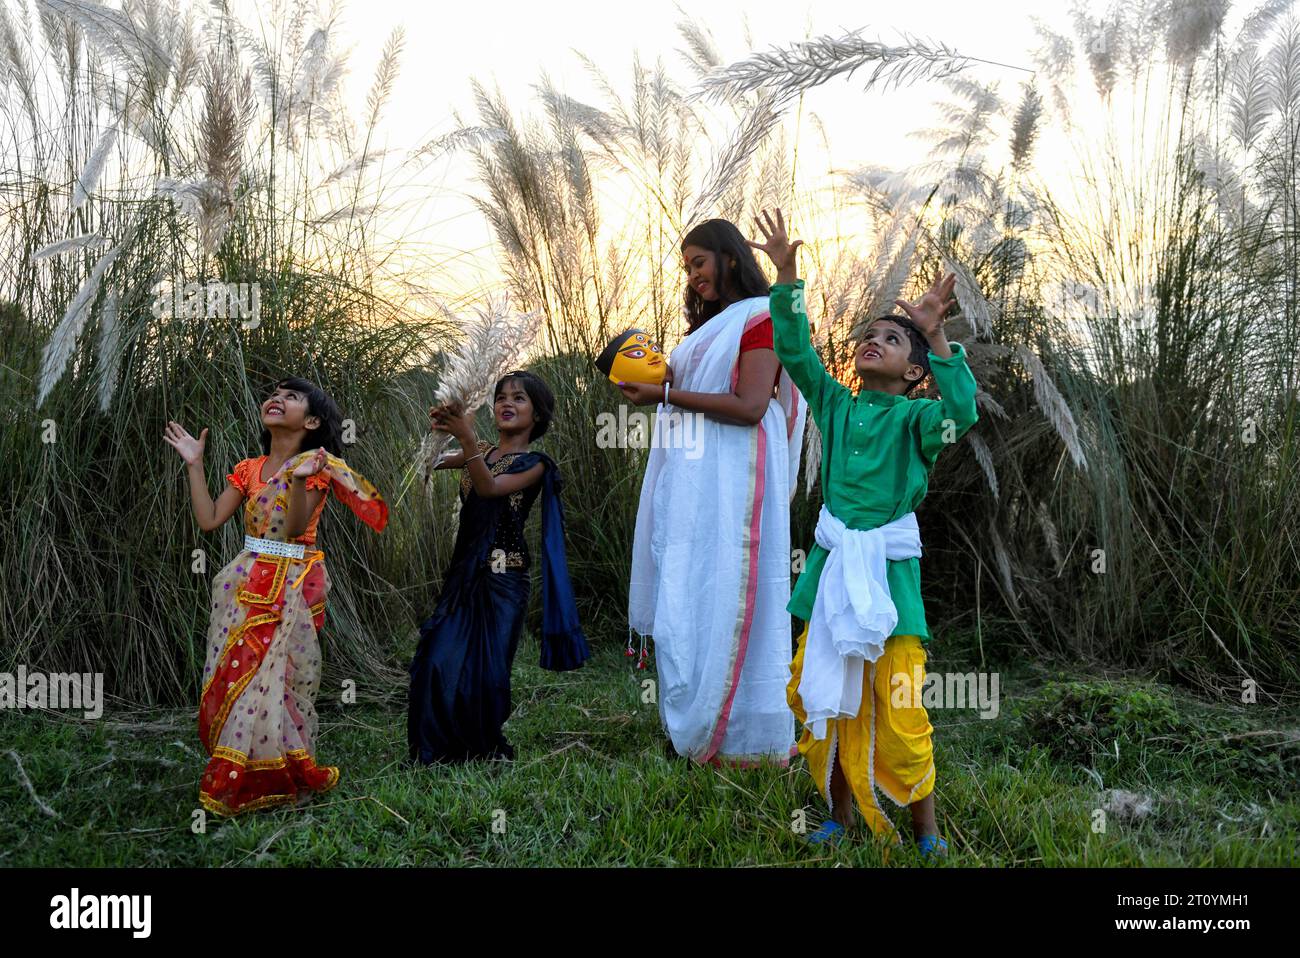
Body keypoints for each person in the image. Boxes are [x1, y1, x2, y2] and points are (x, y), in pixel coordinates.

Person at [749, 208, 978, 856]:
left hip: (890, 586)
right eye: (869, 335)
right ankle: (839, 815)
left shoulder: (917, 420)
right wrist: (788, 278)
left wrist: (936, 339)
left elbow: (964, 413)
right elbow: (794, 351)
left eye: (892, 340)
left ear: (913, 374)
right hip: (827, 582)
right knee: (826, 694)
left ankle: (926, 831)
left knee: (901, 711)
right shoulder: (837, 404)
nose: (874, 340)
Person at [621, 218, 807, 766]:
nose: (693, 276)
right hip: (696, 479)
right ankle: (700, 719)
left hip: (738, 477)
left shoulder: (761, 316)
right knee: (691, 579)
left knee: (735, 578)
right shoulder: (704, 332)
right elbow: (683, 393)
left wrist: (666, 395)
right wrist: (658, 389)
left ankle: (750, 735)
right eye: (687, 268)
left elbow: (751, 407)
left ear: (729, 258)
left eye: (699, 262)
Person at [164, 378, 388, 816]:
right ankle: (244, 765)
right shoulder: (248, 468)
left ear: (311, 420)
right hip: (248, 574)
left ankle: (280, 767)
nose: (276, 399)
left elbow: (292, 529)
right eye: (274, 394)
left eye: (291, 396)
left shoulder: (316, 466)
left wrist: (301, 481)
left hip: (295, 577)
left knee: (281, 676)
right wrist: (195, 463)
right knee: (245, 668)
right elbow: (209, 520)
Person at [407, 370, 589, 764]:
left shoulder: (535, 463)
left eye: (519, 398)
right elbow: (430, 461)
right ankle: (435, 748)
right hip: (464, 574)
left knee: (488, 671)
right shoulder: (484, 449)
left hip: (505, 578)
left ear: (538, 414)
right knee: (438, 655)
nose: (506, 403)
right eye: (501, 397)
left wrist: (466, 437)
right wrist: (443, 425)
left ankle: (481, 745)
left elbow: (489, 488)